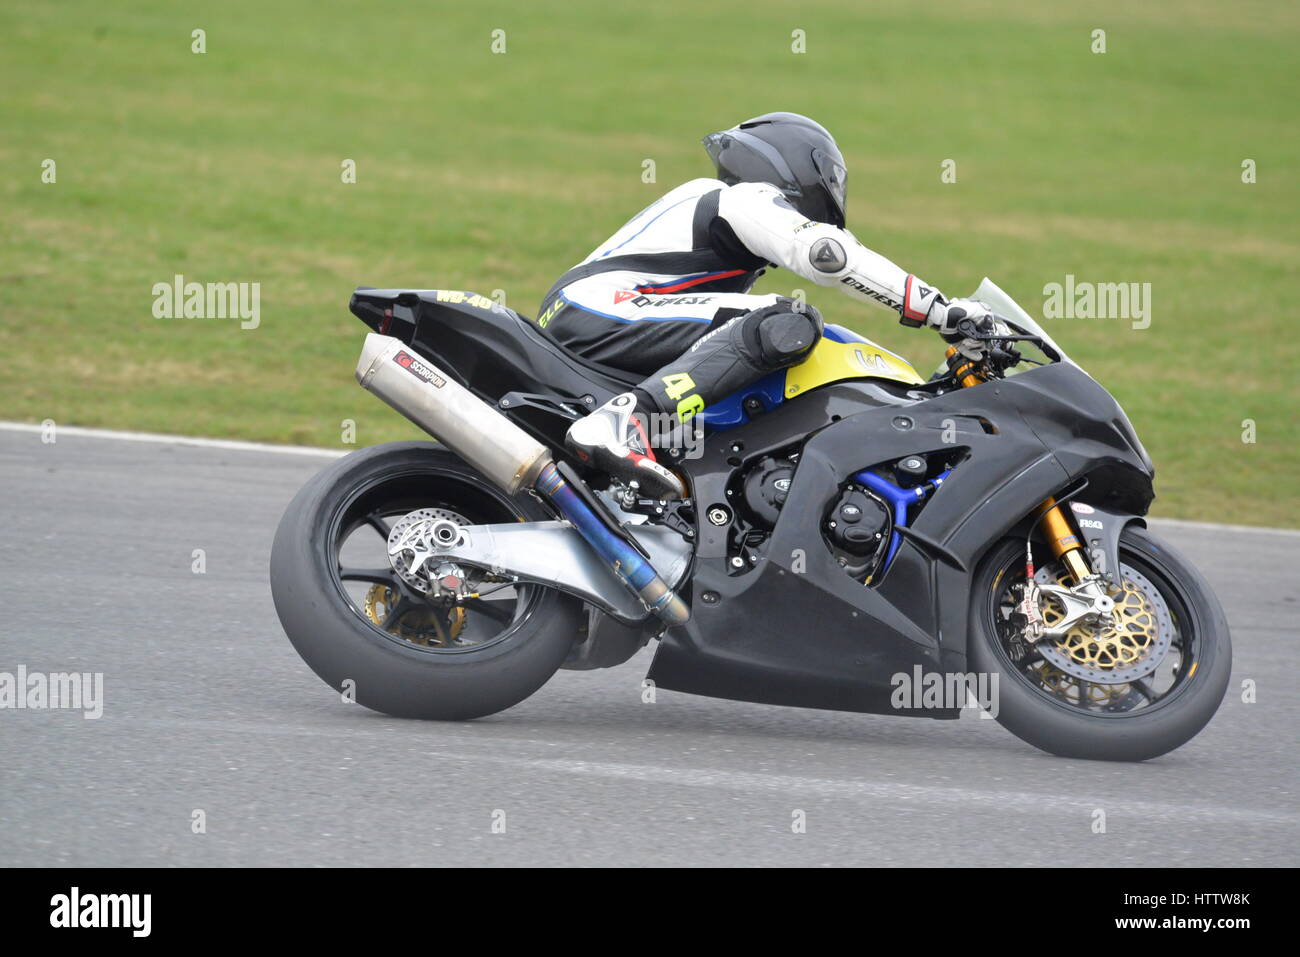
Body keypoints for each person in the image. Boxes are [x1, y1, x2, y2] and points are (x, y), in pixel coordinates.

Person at [539, 112, 999, 499]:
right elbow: (827, 255)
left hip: (596, 314)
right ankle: (624, 420)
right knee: (785, 322)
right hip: (602, 309)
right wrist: (940, 311)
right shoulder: (742, 198)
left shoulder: (712, 218)